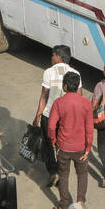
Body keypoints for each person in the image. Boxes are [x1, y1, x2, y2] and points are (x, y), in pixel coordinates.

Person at [47, 71, 93, 209]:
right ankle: (80, 202)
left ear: (65, 86)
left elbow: (51, 126)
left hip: (63, 147)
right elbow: (89, 128)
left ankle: (64, 206)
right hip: (81, 147)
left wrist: (54, 141)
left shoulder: (58, 103)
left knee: (64, 175)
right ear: (78, 85)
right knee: (82, 174)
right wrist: (88, 147)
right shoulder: (86, 103)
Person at [32, 45, 73, 188]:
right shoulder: (75, 73)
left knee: (50, 144)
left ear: (58, 57)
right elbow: (77, 98)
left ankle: (53, 171)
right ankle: (62, 174)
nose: (51, 58)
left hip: (49, 116)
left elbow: (44, 95)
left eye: (52, 55)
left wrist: (37, 115)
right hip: (66, 118)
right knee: (62, 146)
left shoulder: (48, 72)